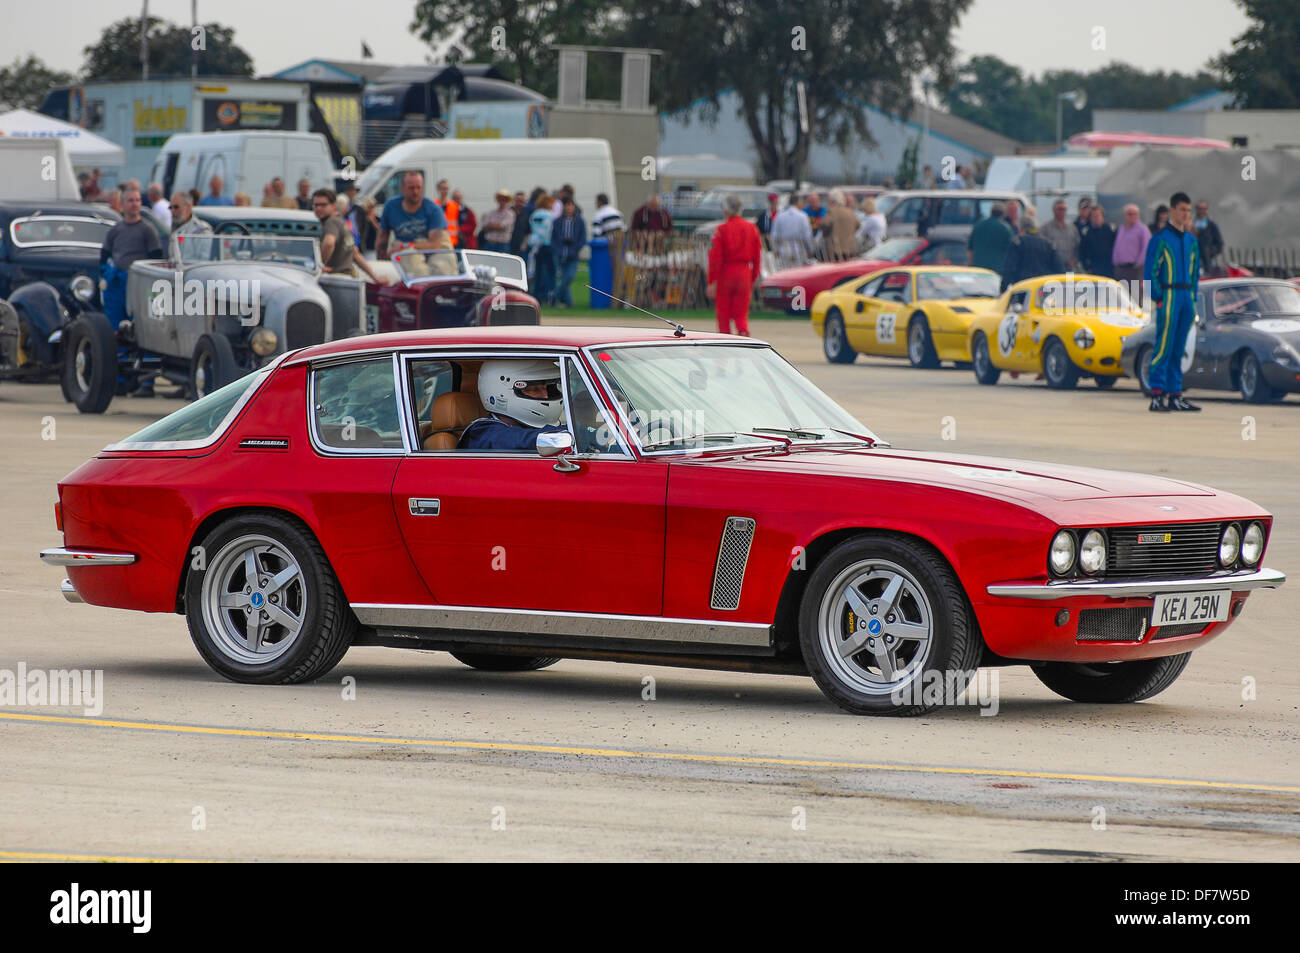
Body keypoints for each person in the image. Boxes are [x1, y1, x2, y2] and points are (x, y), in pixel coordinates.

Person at [1143, 191, 1201, 412]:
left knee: (1179, 348)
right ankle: (1157, 393)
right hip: (1168, 296)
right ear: (1173, 211)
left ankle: (1175, 393)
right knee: (1164, 346)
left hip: (1186, 298)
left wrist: (1193, 297)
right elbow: (1149, 273)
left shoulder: (1191, 241)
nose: (1186, 214)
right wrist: (1156, 297)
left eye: (1188, 210)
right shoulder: (1159, 240)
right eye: (1183, 209)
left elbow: (1195, 272)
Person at [459, 359, 571, 452]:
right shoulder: (483, 433)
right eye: (533, 389)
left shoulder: (532, 426)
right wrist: (577, 434)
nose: (545, 395)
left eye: (547, 388)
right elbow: (523, 440)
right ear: (501, 392)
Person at [707, 193, 762, 335]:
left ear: (726, 211)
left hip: (726, 272)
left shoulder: (721, 230)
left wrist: (712, 281)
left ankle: (725, 340)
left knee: (723, 314)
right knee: (741, 314)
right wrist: (754, 277)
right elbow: (757, 256)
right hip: (745, 273)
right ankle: (743, 333)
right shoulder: (752, 229)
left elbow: (715, 258)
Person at [313, 188, 386, 283]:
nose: (318, 208)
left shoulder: (331, 222)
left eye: (323, 205)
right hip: (348, 278)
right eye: (316, 205)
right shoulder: (341, 221)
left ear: (333, 205)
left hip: (335, 278)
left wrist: (320, 266)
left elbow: (329, 243)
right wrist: (375, 277)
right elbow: (354, 253)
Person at [376, 170, 448, 260]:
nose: (415, 192)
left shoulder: (434, 209)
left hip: (431, 249)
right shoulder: (391, 207)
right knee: (412, 261)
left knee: (443, 262)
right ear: (402, 188)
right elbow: (383, 237)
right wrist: (383, 260)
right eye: (411, 188)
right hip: (406, 251)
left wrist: (405, 246)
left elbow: (435, 246)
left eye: (419, 188)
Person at [1000, 209, 1064, 291]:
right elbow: (1059, 269)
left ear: (1021, 228)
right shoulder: (1048, 244)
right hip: (1043, 288)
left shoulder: (1017, 243)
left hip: (1023, 288)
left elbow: (1008, 268)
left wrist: (1003, 289)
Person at [551, 197, 587, 307]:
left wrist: (575, 248)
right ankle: (569, 303)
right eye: (567, 205)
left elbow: (582, 238)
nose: (569, 208)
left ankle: (554, 296)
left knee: (569, 277)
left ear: (574, 207)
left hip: (573, 255)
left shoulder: (579, 221)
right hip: (560, 254)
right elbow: (553, 238)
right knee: (562, 278)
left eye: (571, 205)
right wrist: (557, 250)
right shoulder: (557, 221)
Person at [1111, 204, 1151, 296]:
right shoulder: (1121, 228)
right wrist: (1115, 261)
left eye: (1135, 214)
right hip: (1120, 269)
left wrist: (1138, 264)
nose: (1133, 216)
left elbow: (1146, 248)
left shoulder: (1142, 229)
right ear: (1125, 215)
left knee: (1135, 297)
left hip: (1134, 269)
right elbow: (1117, 245)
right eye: (1130, 214)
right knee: (1121, 297)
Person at [967, 201, 1013, 271]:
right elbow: (1011, 251)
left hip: (978, 269)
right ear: (1003, 214)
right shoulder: (1006, 229)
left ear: (991, 212)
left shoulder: (978, 226)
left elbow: (970, 250)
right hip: (997, 270)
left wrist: (970, 265)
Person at [527, 195, 556, 303]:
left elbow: (533, 229)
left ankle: (536, 295)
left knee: (537, 272)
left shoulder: (534, 215)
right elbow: (545, 231)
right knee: (550, 272)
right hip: (546, 245)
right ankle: (550, 296)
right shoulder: (549, 216)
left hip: (535, 245)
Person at [770, 194, 813, 266]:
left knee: (786, 275)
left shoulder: (779, 216)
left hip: (784, 251)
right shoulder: (803, 216)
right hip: (799, 251)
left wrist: (776, 250)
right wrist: (810, 250)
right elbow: (807, 236)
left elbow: (774, 236)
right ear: (798, 202)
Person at [1039, 199, 1080, 270]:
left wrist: (1074, 260)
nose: (1062, 212)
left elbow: (1077, 246)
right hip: (1052, 268)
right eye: (1060, 209)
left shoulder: (1072, 228)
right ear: (1054, 211)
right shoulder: (1045, 228)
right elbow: (1041, 247)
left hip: (1069, 268)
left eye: (1064, 209)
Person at [1079, 205, 1116, 277]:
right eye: (1094, 216)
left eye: (1098, 216)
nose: (1096, 218)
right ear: (1090, 218)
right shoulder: (1086, 232)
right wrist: (1087, 267)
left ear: (1102, 216)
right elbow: (1082, 252)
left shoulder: (1110, 230)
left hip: (1109, 268)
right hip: (1093, 269)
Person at [476, 188, 516, 253]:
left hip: (502, 245)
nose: (502, 201)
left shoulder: (510, 214)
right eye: (500, 199)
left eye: (504, 199)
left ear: (507, 201)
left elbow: (501, 227)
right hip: (489, 243)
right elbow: (484, 228)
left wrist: (491, 225)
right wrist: (494, 226)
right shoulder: (491, 213)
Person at [1194, 200, 1225, 276]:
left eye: (1203, 209)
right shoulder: (1191, 225)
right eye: (1199, 209)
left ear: (1206, 210)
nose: (1201, 211)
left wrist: (1209, 252)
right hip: (1194, 261)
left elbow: (1219, 244)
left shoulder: (1212, 226)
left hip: (1207, 263)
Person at [433, 178, 460, 247]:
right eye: (443, 188)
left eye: (446, 188)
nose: (445, 191)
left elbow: (459, 223)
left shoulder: (454, 206)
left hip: (452, 241)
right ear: (438, 190)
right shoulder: (433, 205)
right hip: (438, 241)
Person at [508, 190, 532, 258]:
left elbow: (528, 232)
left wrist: (524, 244)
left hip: (520, 246)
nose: (520, 203)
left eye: (522, 201)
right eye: (518, 200)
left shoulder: (526, 214)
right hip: (508, 244)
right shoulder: (509, 212)